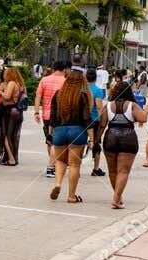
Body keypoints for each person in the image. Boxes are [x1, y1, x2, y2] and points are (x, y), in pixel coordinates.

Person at [48, 67, 95, 204]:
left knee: (60, 161)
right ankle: (71, 196)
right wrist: (92, 139)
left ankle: (57, 183)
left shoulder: (58, 95)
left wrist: (51, 134)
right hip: (77, 131)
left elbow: (52, 118)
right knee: (74, 165)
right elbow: (87, 119)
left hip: (59, 131)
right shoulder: (82, 96)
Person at [102, 77, 146, 209]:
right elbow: (143, 118)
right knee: (123, 171)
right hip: (128, 138)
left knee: (112, 171)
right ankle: (116, 199)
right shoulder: (132, 105)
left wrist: (95, 141)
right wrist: (146, 110)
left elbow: (102, 124)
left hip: (110, 137)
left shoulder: (108, 105)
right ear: (129, 92)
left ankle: (118, 196)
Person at [35, 62, 67, 178]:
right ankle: (51, 166)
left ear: (53, 69)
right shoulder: (65, 81)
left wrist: (37, 112)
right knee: (56, 142)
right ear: (64, 70)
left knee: (50, 140)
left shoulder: (44, 80)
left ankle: (52, 164)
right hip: (60, 116)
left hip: (46, 115)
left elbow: (38, 96)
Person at [0, 65, 26, 166]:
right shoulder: (20, 84)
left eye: (5, 73)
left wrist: (0, 92)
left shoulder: (12, 83)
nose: (4, 75)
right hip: (17, 111)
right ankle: (14, 157)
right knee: (14, 136)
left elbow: (7, 96)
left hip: (9, 111)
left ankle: (12, 159)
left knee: (7, 136)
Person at [86, 66, 107, 177]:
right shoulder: (98, 90)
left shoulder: (82, 89)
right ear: (95, 78)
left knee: (80, 143)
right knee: (96, 144)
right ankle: (96, 168)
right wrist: (101, 118)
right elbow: (99, 106)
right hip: (94, 120)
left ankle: (76, 166)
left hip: (82, 120)